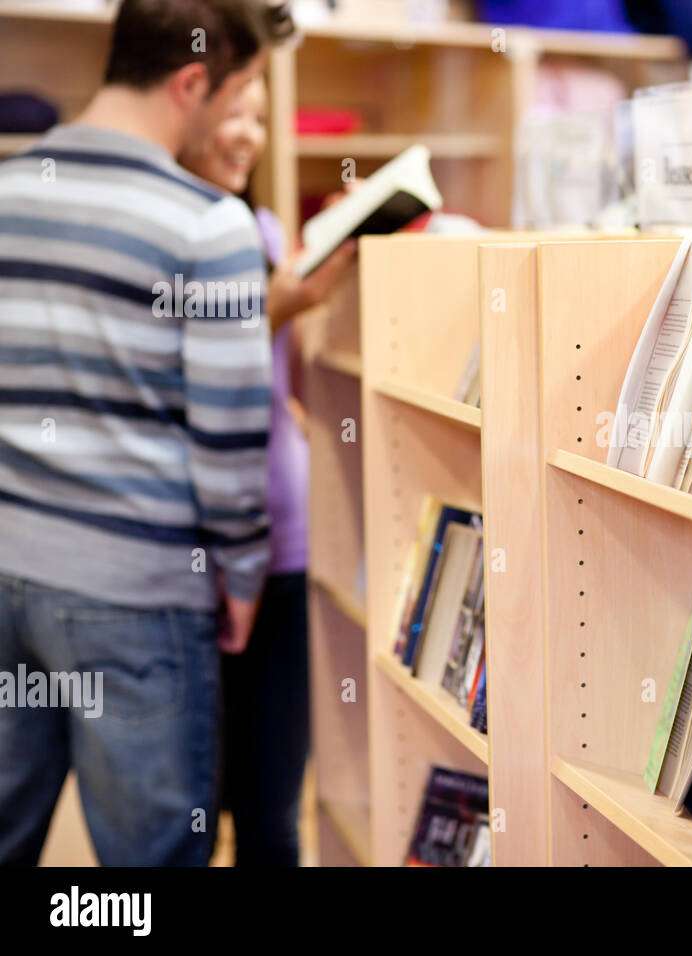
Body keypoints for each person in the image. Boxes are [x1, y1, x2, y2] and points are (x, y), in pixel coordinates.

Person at [0, 0, 293, 866]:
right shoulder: (209, 224)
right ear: (192, 80)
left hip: (10, 566)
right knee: (151, 865)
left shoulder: (10, 187)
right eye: (239, 92)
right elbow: (228, 442)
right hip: (138, 597)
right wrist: (242, 573)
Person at [177, 75, 354, 866]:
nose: (248, 135)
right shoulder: (165, 235)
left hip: (286, 546)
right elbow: (174, 388)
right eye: (232, 115)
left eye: (259, 117)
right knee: (186, 812)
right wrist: (274, 310)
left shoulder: (269, 229)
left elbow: (277, 386)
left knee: (273, 812)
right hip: (189, 558)